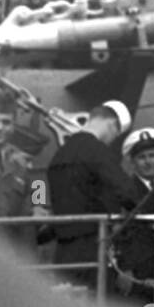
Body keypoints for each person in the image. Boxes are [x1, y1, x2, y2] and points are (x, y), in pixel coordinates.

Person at [45, 100, 143, 288]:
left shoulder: (59, 155)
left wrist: (37, 202)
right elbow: (129, 194)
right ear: (112, 124)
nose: (112, 139)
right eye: (116, 134)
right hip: (93, 248)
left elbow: (40, 185)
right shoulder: (98, 152)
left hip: (63, 252)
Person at [111, 128, 154, 298]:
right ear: (132, 162)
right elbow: (119, 233)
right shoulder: (124, 191)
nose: (148, 162)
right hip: (139, 271)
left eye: (152, 155)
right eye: (142, 157)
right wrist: (125, 270)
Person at [0, 86, 37, 258]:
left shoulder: (22, 160)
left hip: (15, 249)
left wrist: (39, 204)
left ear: (13, 125)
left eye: (5, 122)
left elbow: (38, 184)